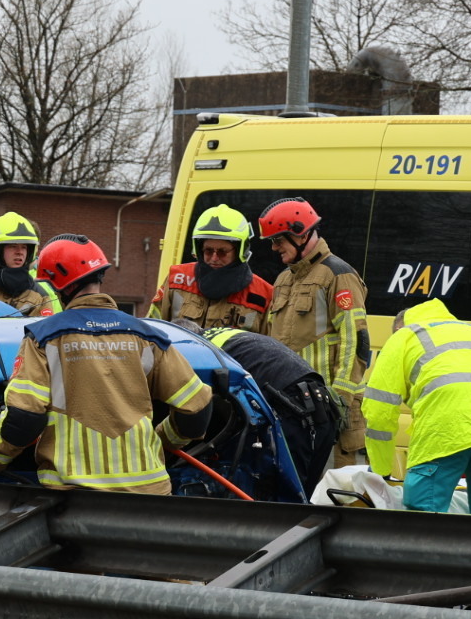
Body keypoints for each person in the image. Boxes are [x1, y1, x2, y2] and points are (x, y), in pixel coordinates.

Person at [0, 234, 213, 493]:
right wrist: (163, 440)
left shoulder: (43, 338)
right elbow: (196, 408)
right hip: (150, 498)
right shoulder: (146, 335)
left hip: (75, 501)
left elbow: (24, 418)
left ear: (58, 285)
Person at [362, 298, 471, 515]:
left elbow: (379, 411)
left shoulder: (405, 335)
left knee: (425, 511)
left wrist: (379, 471)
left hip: (448, 424)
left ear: (399, 326)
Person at [260, 197, 371, 467]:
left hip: (329, 409)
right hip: (291, 408)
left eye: (278, 240)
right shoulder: (284, 279)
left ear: (301, 234)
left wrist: (340, 401)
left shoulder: (338, 275)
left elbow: (355, 341)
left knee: (337, 496)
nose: (274, 248)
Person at [204, 326, 340, 494]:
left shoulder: (195, 349)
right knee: (302, 502)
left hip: (293, 411)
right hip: (323, 409)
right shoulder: (228, 335)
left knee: (278, 503)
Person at [148, 205, 273, 333]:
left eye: (222, 252)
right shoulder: (177, 279)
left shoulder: (263, 294)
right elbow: (151, 330)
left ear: (240, 251)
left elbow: (271, 348)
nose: (214, 258)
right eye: (208, 251)